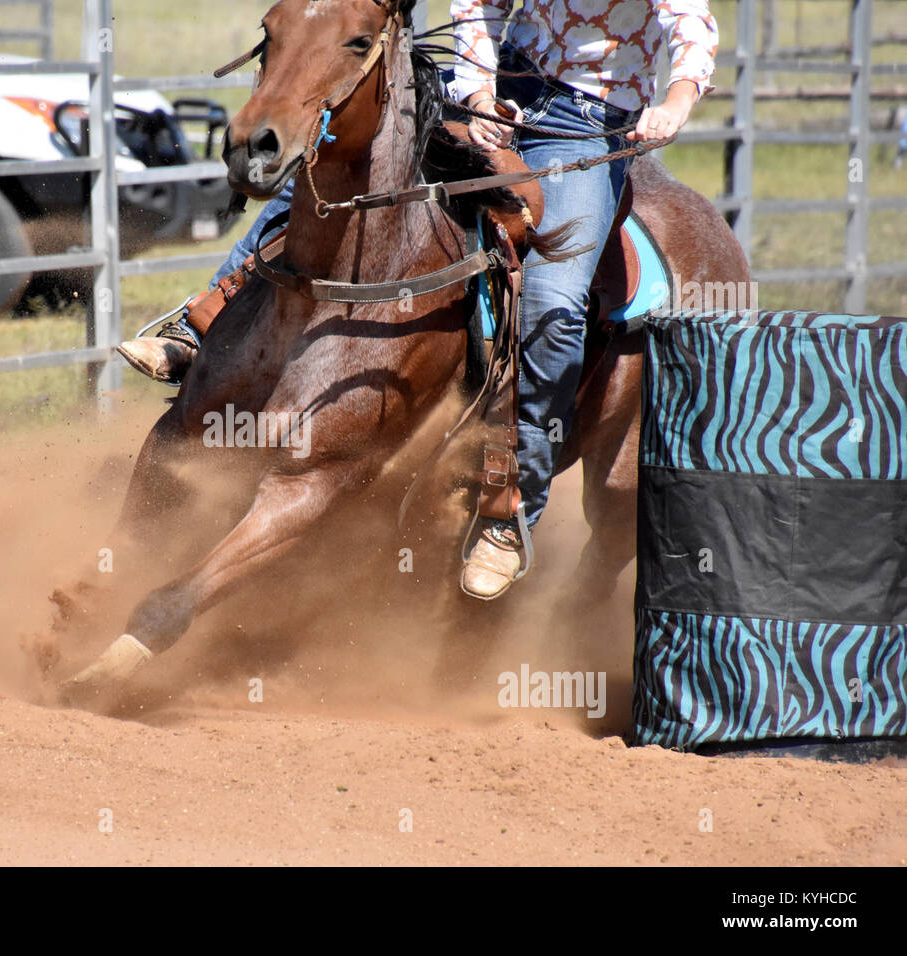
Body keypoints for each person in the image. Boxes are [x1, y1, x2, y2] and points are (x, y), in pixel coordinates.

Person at [119, 0, 718, 600]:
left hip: (584, 125)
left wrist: (675, 101)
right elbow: (480, 4)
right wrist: (482, 93)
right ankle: (203, 323)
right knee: (327, 171)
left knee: (553, 304)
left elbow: (689, 22)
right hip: (499, 90)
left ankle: (509, 508)